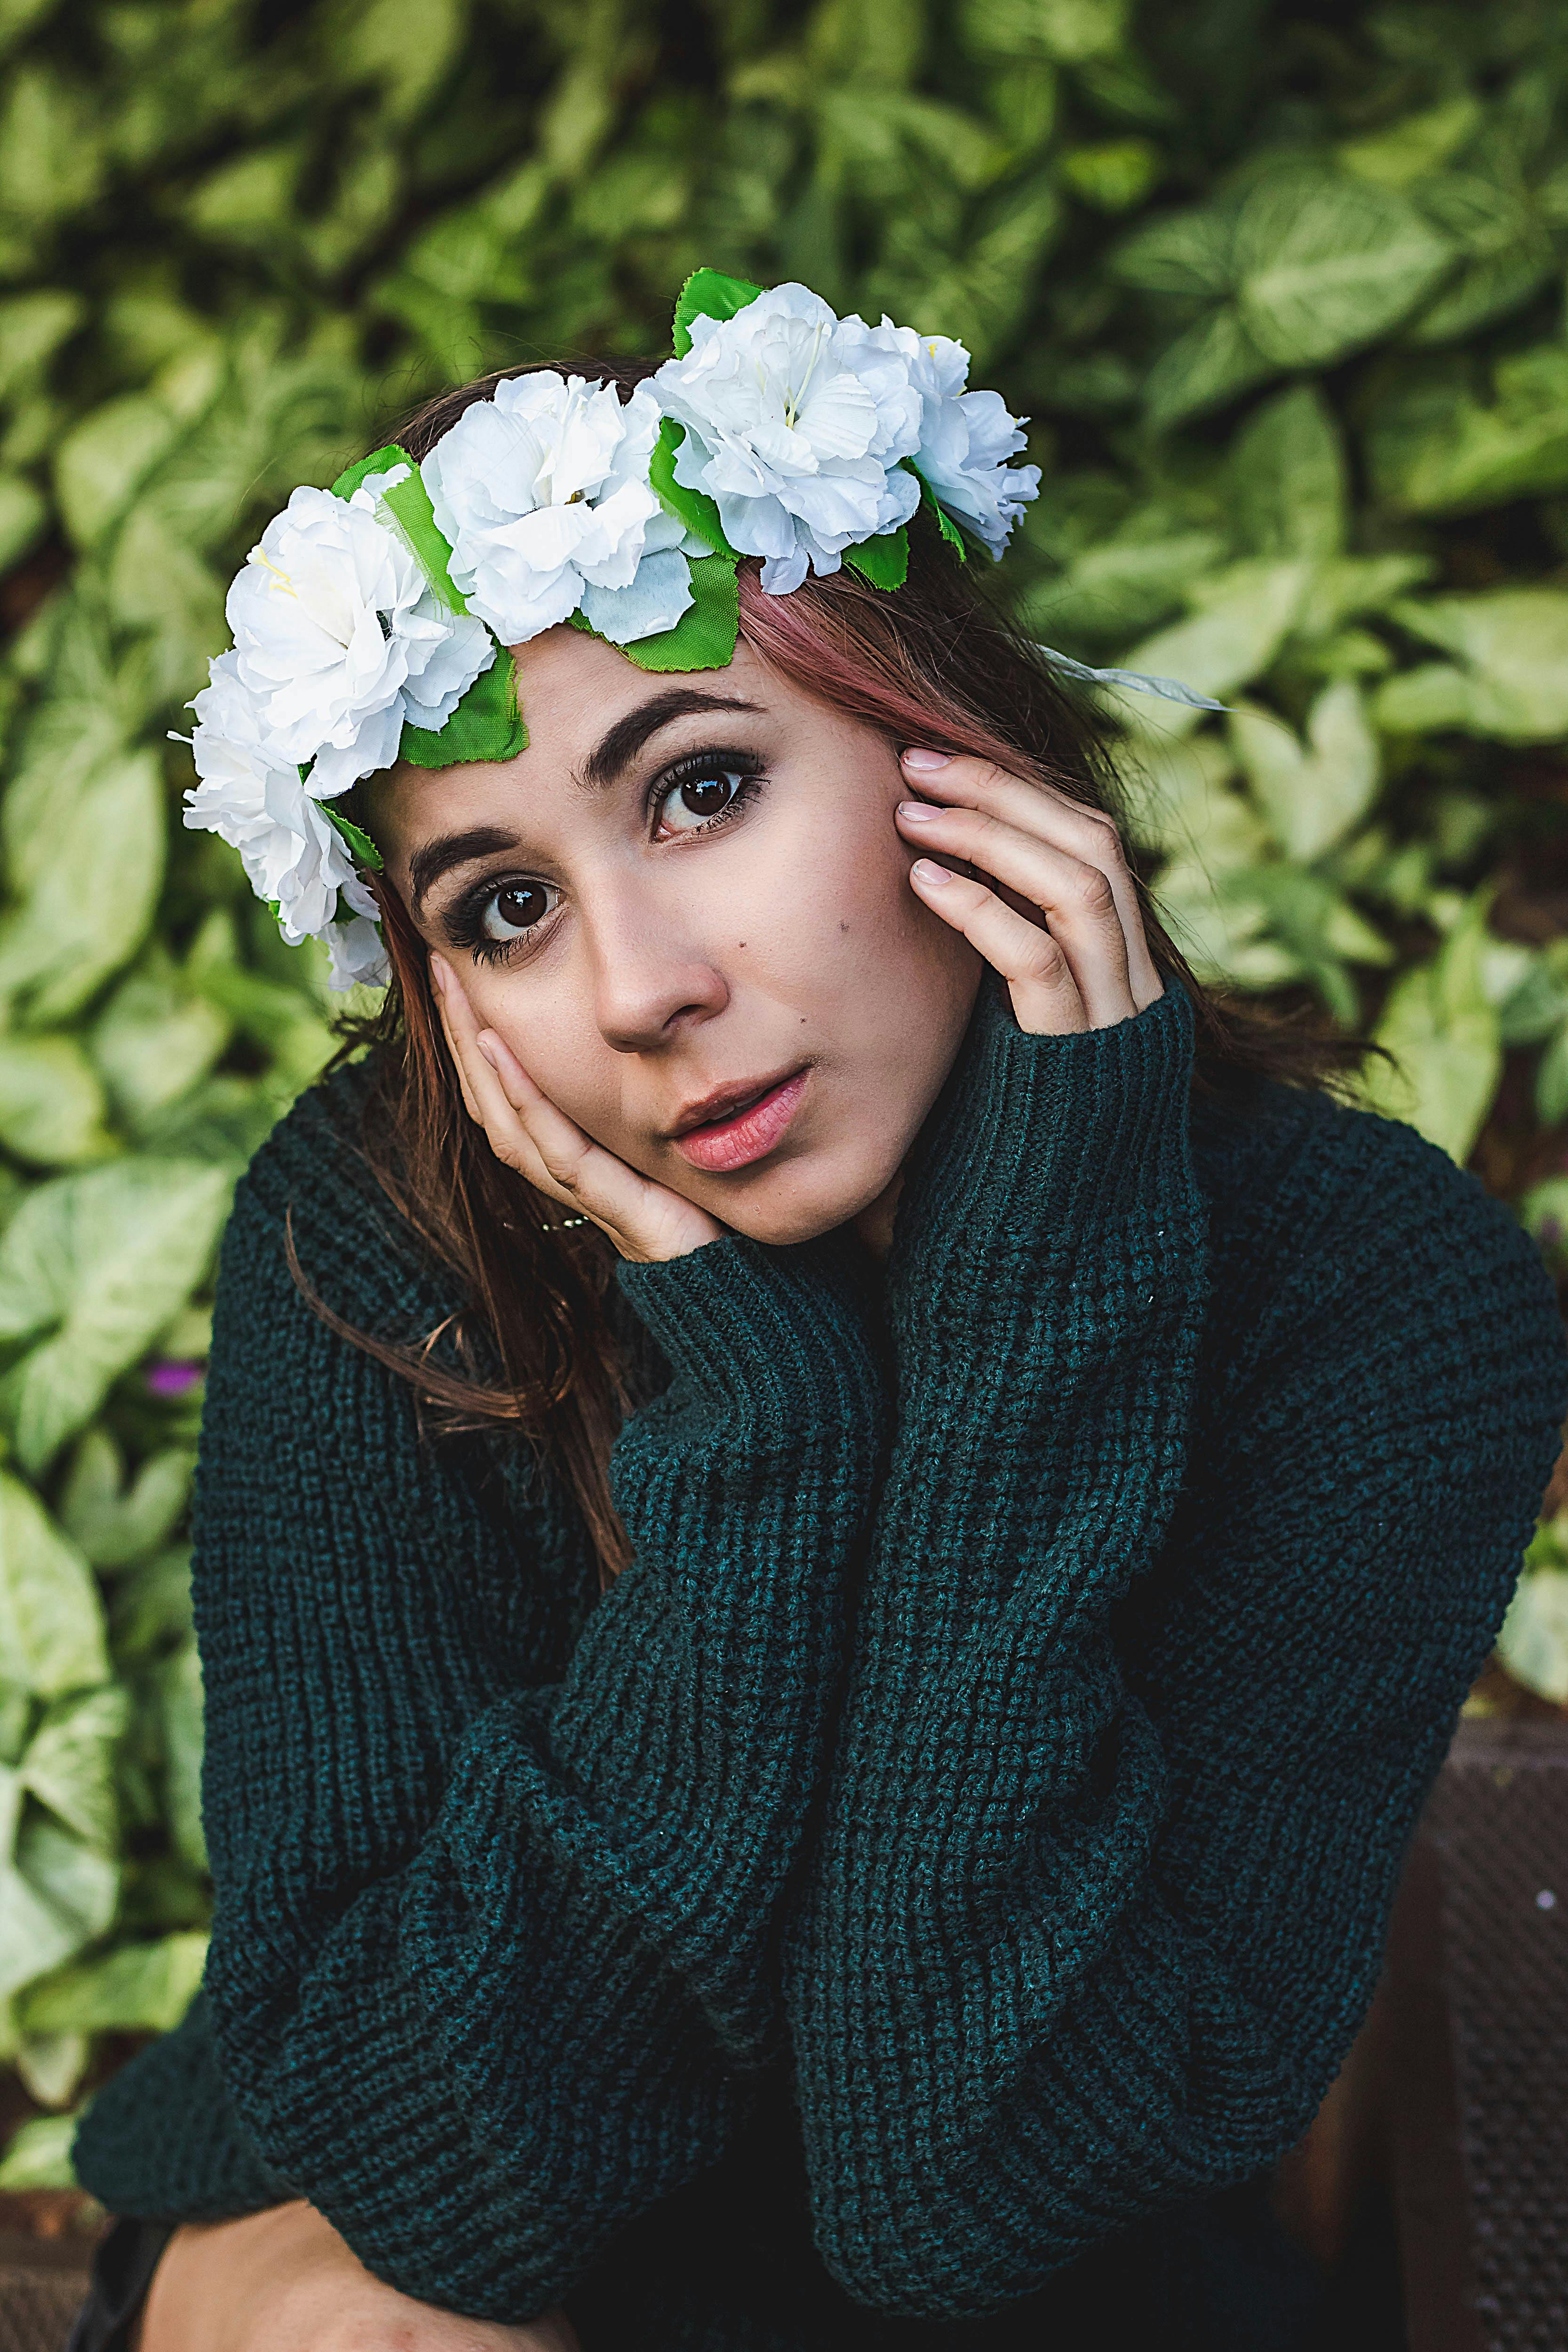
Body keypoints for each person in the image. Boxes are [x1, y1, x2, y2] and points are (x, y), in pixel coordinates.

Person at [64, 273, 1566, 2352]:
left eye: (697, 789)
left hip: (1044, 2270)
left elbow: (958, 2192)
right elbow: (441, 2165)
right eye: (505, 905)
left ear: (953, 741)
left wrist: (1042, 1311)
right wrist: (755, 1450)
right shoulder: (386, 1235)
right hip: (468, 2224)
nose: (633, 986)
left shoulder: (1378, 1305)